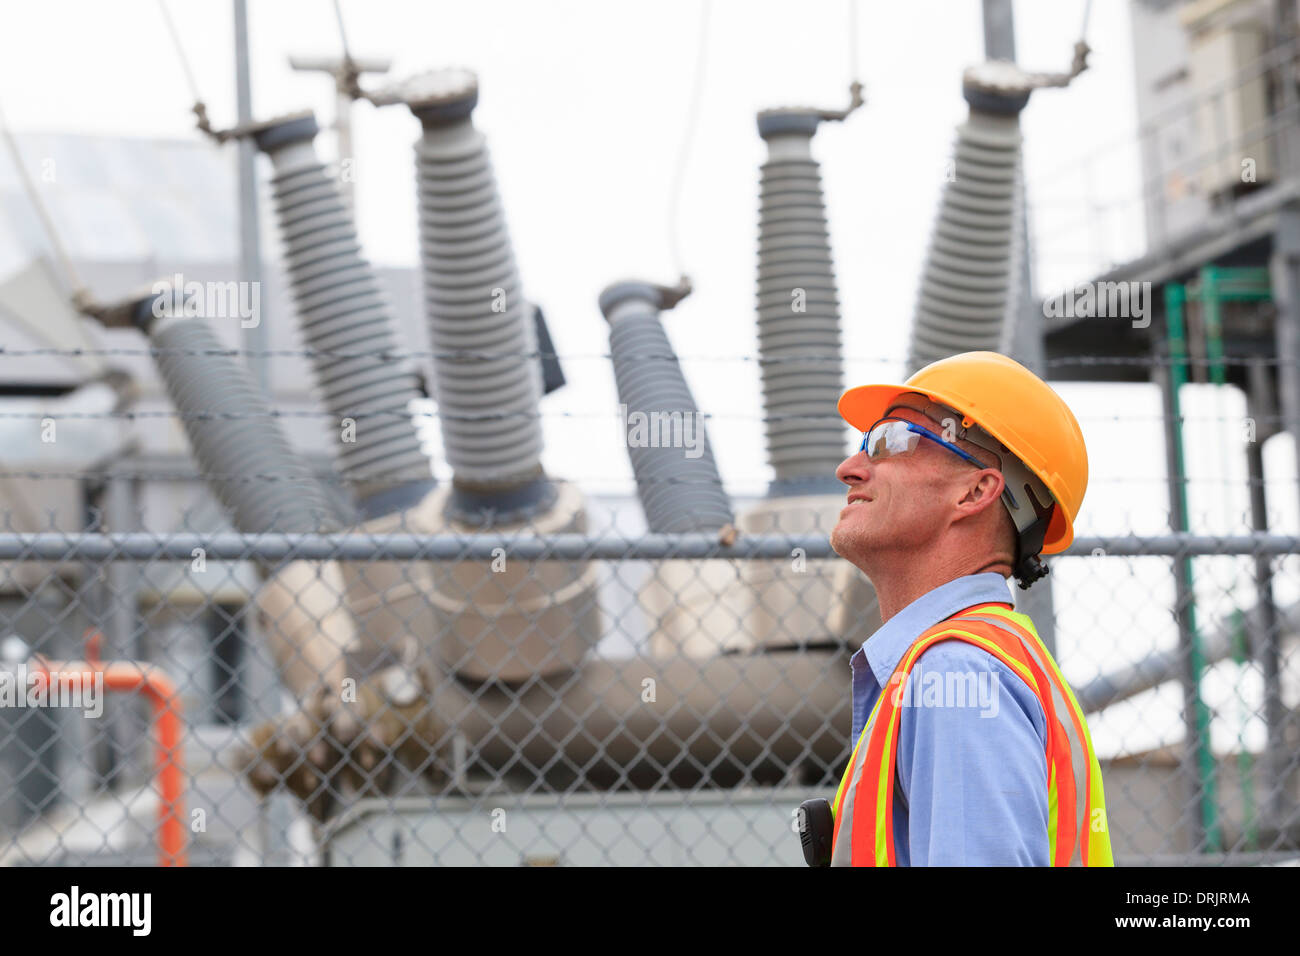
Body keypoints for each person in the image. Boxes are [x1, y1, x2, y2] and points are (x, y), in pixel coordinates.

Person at [826, 350, 1113, 866]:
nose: (849, 468)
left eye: (891, 441)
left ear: (976, 490)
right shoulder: (981, 661)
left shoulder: (956, 670)